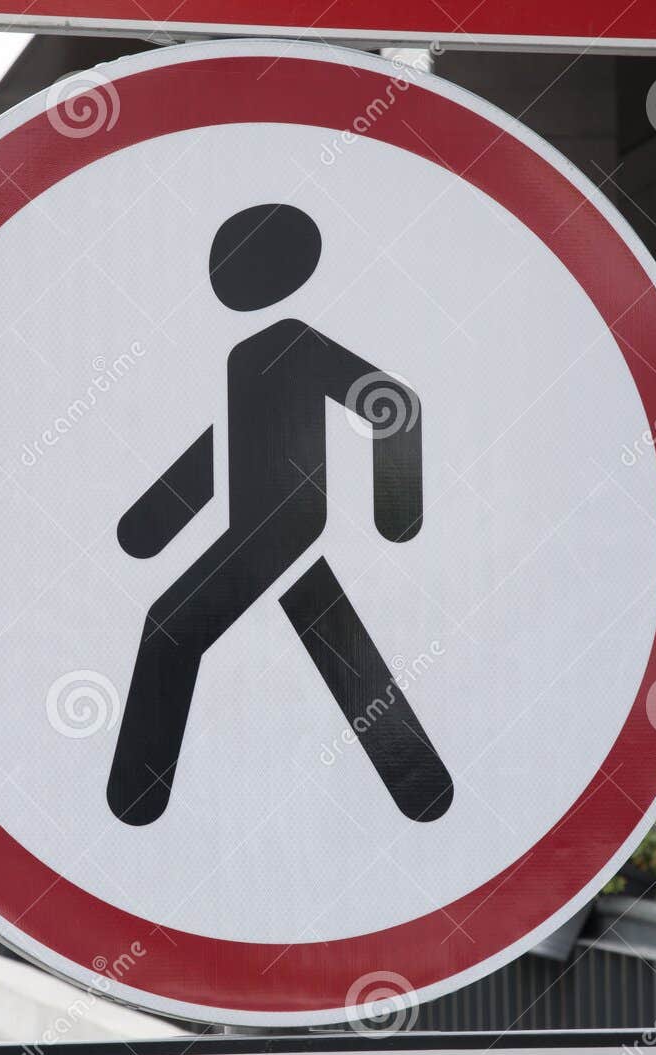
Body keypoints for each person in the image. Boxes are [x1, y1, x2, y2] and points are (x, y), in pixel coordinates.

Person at [108, 204, 452, 826]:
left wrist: (397, 512)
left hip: (285, 523)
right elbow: (225, 447)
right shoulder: (246, 355)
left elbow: (394, 404)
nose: (220, 278)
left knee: (170, 631)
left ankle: (134, 804)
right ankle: (421, 785)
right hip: (265, 527)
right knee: (330, 629)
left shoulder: (294, 342)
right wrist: (151, 522)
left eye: (233, 262)